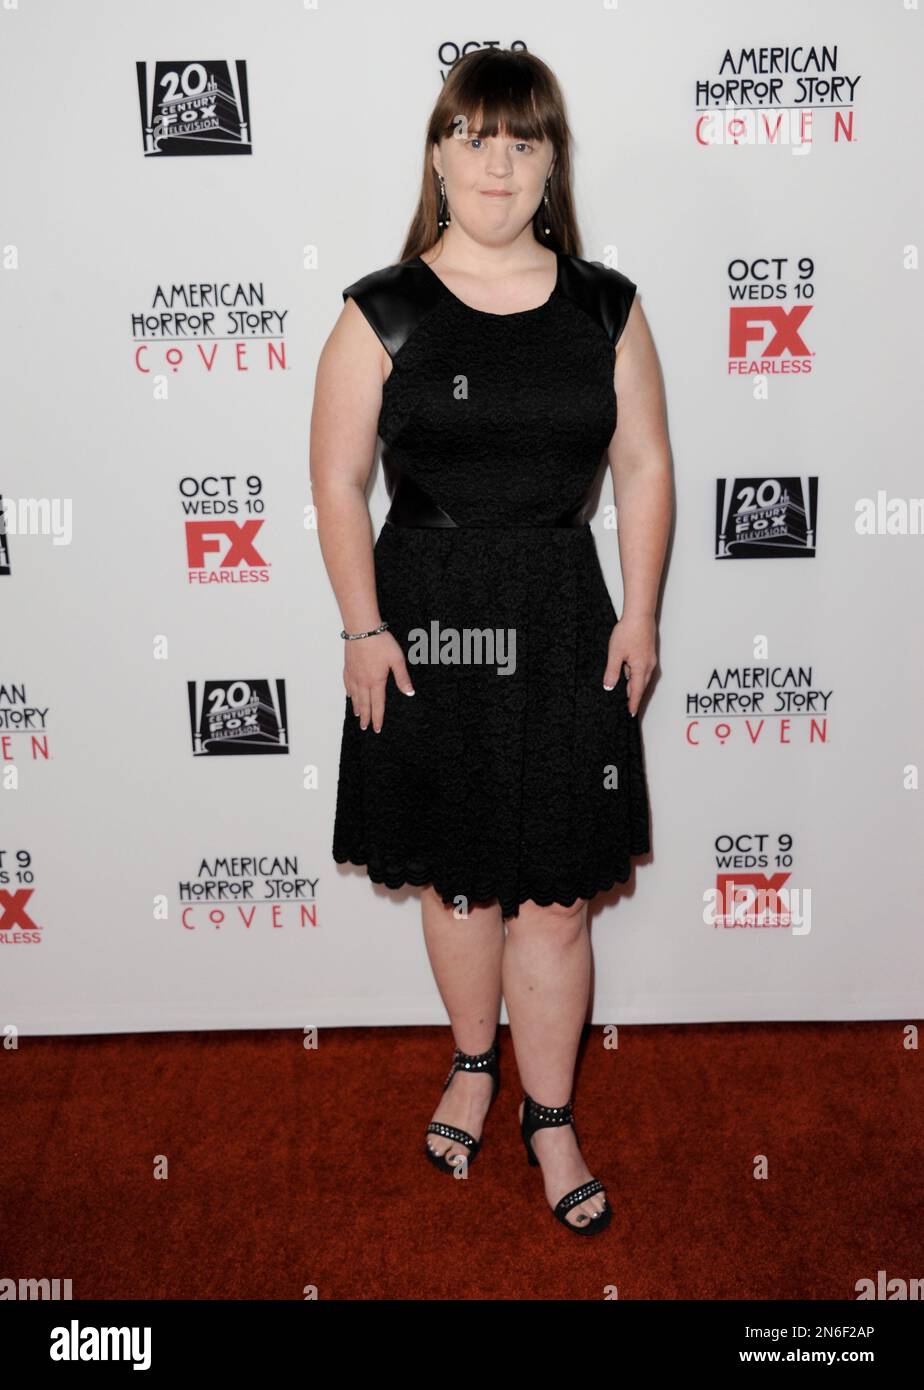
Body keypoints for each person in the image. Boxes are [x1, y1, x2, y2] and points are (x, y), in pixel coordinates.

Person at [310, 47, 671, 1233]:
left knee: (558, 900)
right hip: (430, 626)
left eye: (523, 140)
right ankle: (474, 1063)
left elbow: (648, 467)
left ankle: (551, 1114)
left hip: (566, 622)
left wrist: (643, 610)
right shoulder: (383, 311)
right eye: (475, 137)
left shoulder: (605, 307)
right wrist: (362, 628)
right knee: (462, 882)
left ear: (554, 161)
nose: (499, 163)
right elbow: (336, 480)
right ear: (438, 155)